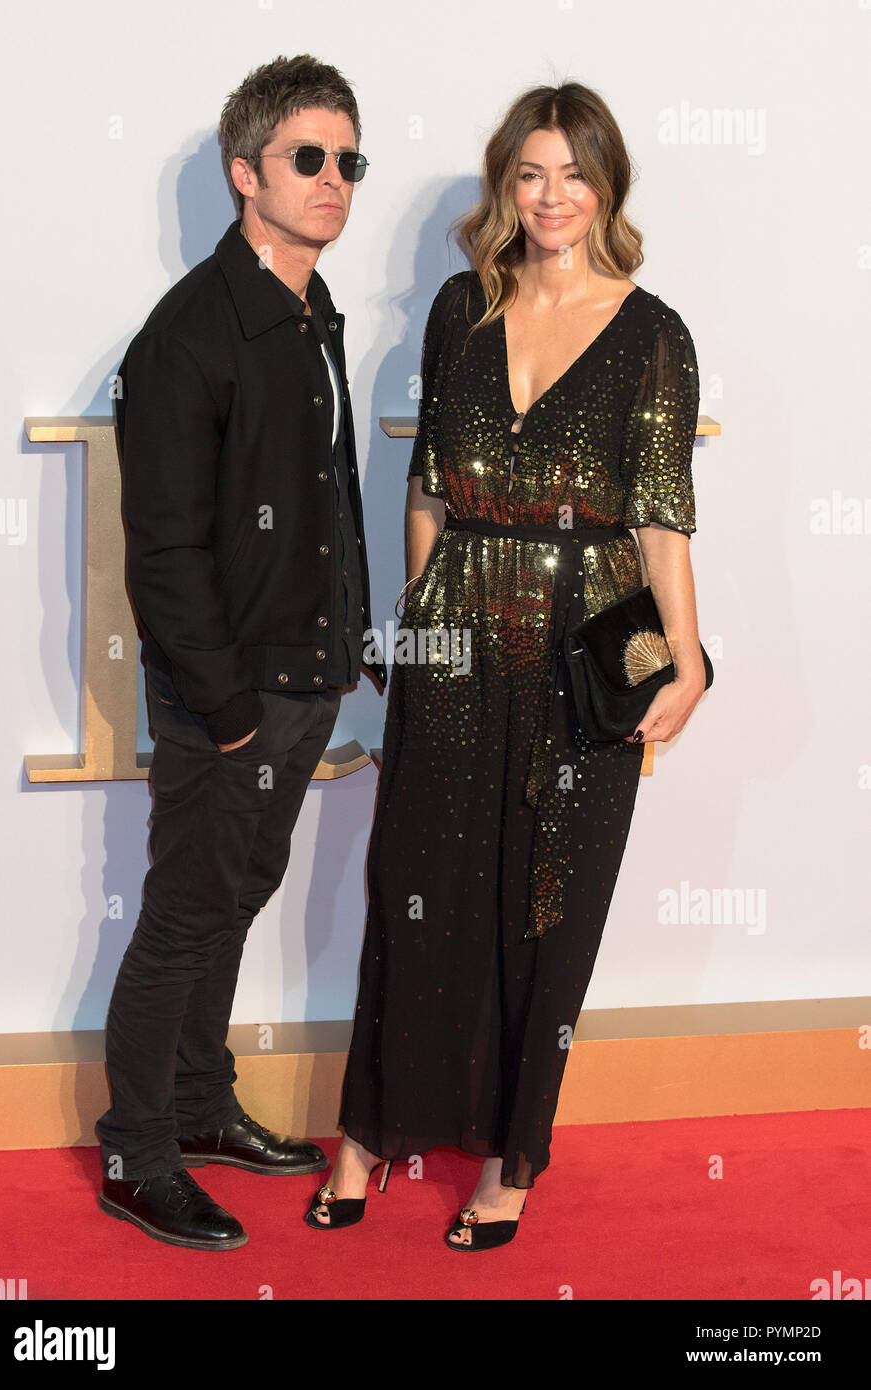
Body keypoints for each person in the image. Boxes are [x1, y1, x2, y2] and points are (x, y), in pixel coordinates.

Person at [306, 81, 709, 1250]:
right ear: (503, 185)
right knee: (413, 885)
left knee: (548, 908)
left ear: (607, 188)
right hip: (457, 635)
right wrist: (416, 610)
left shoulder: (652, 331)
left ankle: (512, 1158)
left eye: (573, 174)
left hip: (584, 644)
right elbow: (428, 483)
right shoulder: (457, 306)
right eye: (529, 174)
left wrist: (681, 659)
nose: (551, 197)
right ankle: (370, 1133)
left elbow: (662, 516)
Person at [96, 54, 386, 1251]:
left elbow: (324, 501)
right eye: (306, 159)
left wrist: (361, 647)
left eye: (348, 161)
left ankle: (204, 1107)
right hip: (233, 699)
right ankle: (135, 1149)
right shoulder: (187, 334)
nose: (332, 182)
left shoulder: (314, 313)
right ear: (244, 174)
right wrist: (223, 711)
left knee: (234, 902)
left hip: (303, 680)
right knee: (182, 914)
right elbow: (161, 552)